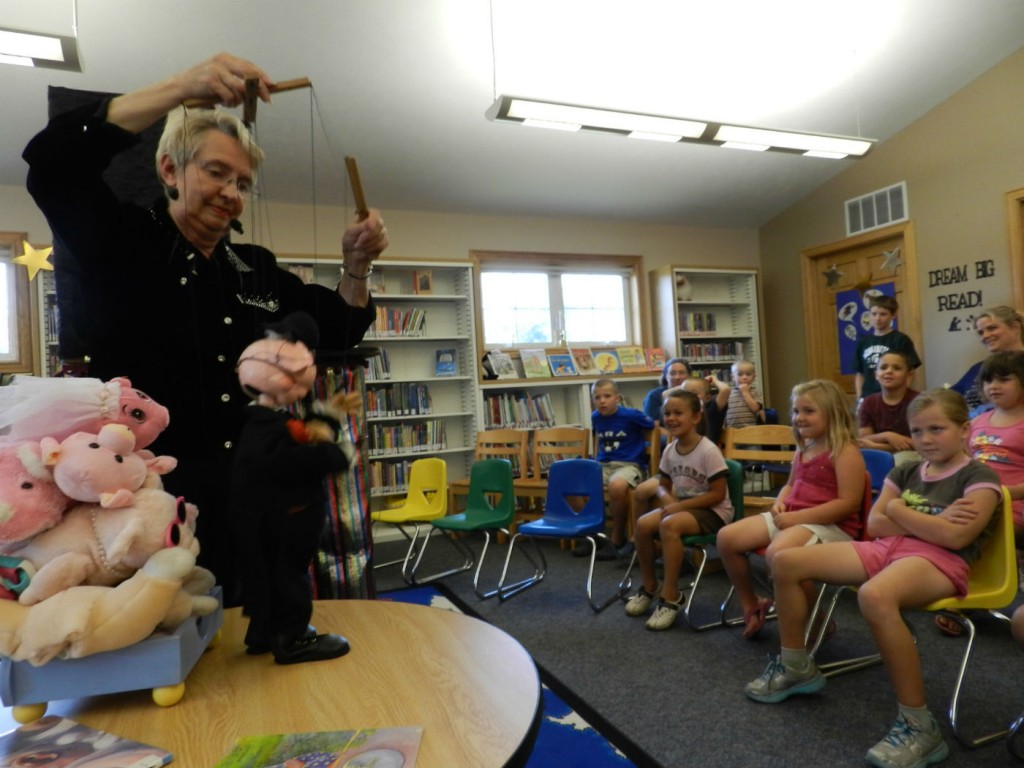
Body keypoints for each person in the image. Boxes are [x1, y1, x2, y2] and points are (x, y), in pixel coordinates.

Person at [22, 53, 388, 606]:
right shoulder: (116, 241)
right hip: (147, 503)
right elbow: (52, 163)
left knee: (253, 638)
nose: (231, 192)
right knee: (167, 650)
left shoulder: (255, 268)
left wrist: (355, 267)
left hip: (247, 499)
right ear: (169, 170)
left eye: (242, 181)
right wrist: (179, 86)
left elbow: (339, 326)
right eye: (216, 172)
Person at [743, 389, 1001, 768]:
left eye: (937, 429)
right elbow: (876, 524)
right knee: (786, 562)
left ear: (964, 430)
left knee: (874, 595)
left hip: (939, 561)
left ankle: (920, 727)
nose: (926, 439)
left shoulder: (980, 475)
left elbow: (955, 538)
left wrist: (898, 509)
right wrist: (925, 518)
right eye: (917, 431)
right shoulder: (908, 470)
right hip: (888, 548)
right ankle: (797, 666)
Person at [230, 312, 359, 664]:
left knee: (270, 574)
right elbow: (293, 457)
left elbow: (300, 436)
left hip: (269, 516)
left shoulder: (264, 421)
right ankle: (291, 638)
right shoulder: (266, 428)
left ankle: (264, 632)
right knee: (288, 576)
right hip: (284, 517)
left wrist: (328, 415)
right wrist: (336, 455)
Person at [716, 379, 866, 639]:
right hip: (793, 518)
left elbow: (848, 504)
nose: (799, 418)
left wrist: (797, 517)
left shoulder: (844, 451)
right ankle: (751, 604)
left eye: (809, 411)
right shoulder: (804, 447)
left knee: (779, 554)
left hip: (830, 526)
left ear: (834, 413)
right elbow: (789, 485)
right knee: (727, 538)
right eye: (796, 411)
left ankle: (813, 619)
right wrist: (779, 502)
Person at [624, 388, 734, 630]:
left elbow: (717, 495)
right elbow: (662, 487)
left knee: (669, 525)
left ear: (695, 417)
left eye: (678, 413)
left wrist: (678, 506)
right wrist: (668, 501)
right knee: (643, 524)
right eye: (667, 414)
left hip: (713, 512)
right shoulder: (670, 450)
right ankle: (650, 585)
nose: (671, 418)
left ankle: (671, 594)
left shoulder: (708, 450)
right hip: (683, 508)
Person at [588, 378, 655, 559]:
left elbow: (654, 427)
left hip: (629, 465)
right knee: (575, 486)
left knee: (617, 486)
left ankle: (617, 538)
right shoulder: (595, 417)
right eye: (597, 397)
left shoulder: (631, 415)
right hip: (603, 465)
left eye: (607, 396)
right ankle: (592, 535)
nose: (602, 401)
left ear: (617, 398)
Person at [950, 305, 1024, 415]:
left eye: (992, 328)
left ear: (1015, 327)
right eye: (980, 333)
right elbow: (950, 399)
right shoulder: (979, 368)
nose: (985, 336)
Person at [853, 294, 921, 401]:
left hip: (893, 396)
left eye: (883, 314)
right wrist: (860, 397)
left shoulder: (901, 340)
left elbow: (910, 372)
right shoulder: (863, 342)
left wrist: (901, 396)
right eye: (874, 314)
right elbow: (860, 373)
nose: (877, 318)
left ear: (893, 316)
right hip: (868, 397)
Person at [858, 350, 919, 454]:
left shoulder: (918, 402)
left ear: (909, 374)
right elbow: (863, 440)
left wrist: (876, 446)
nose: (889, 371)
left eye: (897, 368)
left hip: (912, 456)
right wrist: (887, 436)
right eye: (883, 367)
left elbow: (920, 443)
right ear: (876, 374)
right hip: (877, 455)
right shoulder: (868, 402)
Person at [682, 374, 730, 446]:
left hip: (707, 450)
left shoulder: (711, 408)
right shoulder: (682, 410)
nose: (689, 397)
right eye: (685, 393)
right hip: (686, 448)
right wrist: (685, 385)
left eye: (694, 393)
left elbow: (725, 390)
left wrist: (714, 380)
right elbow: (665, 394)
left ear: (707, 398)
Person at [642, 357, 689, 422]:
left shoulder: (693, 393)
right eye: (672, 373)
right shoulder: (654, 396)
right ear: (666, 376)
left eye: (682, 373)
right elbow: (650, 424)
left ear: (689, 375)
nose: (677, 377)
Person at [724, 360, 765, 428]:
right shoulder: (729, 393)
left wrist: (745, 393)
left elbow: (755, 409)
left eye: (748, 374)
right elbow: (724, 412)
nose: (744, 377)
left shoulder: (756, 392)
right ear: (733, 377)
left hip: (750, 429)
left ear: (754, 377)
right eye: (740, 374)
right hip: (732, 431)